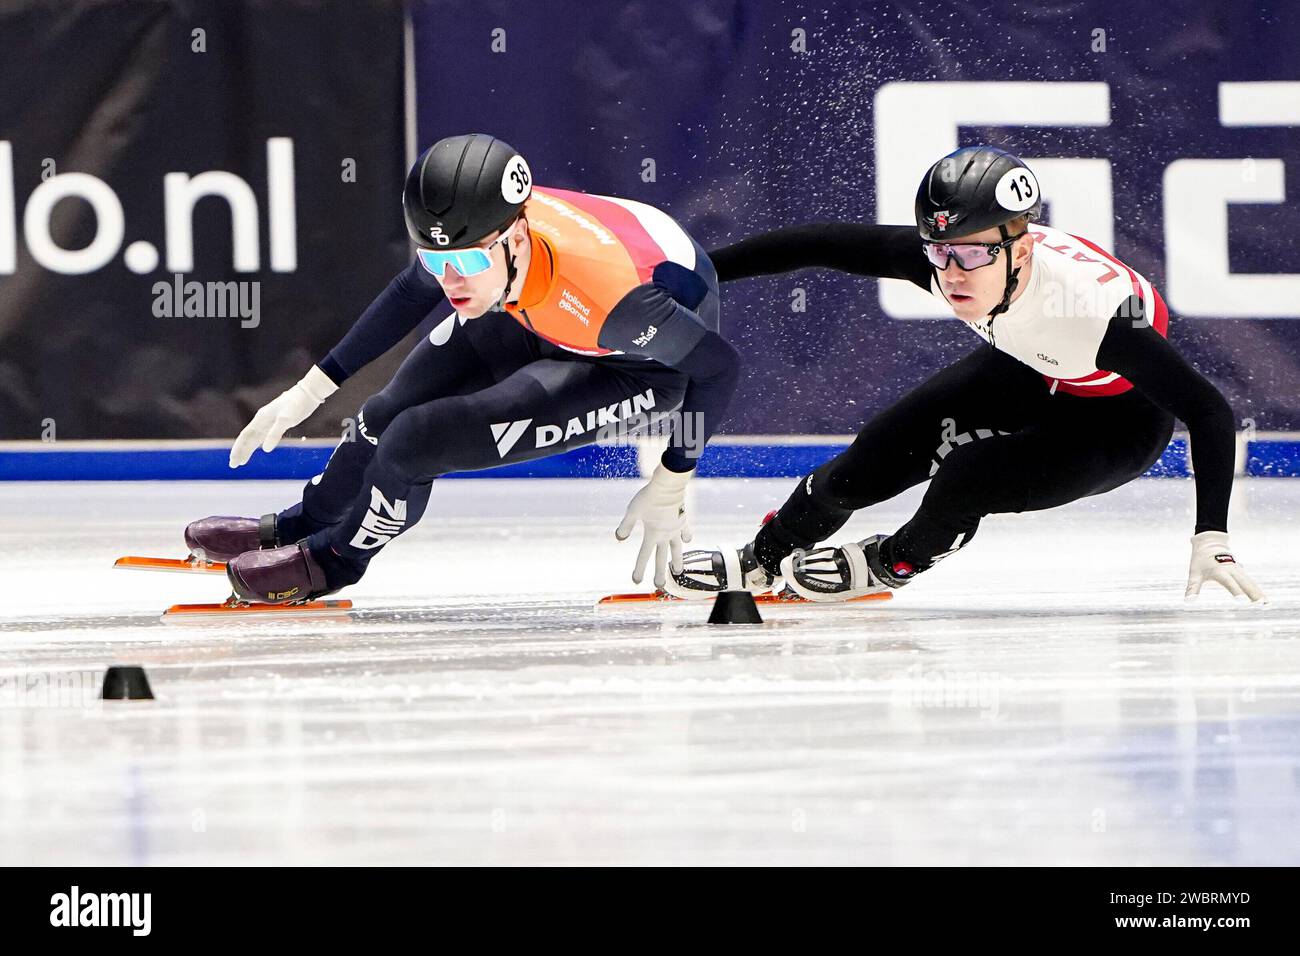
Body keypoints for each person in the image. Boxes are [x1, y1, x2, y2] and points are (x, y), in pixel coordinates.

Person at [667, 145, 1266, 605]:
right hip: (1031, 368)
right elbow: (820, 243)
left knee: (966, 479)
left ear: (1021, 250)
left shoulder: (1099, 319)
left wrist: (1211, 534)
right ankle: (766, 556)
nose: (952, 273)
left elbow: (1208, 410)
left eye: (974, 254)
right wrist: (703, 275)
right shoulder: (953, 258)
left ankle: (894, 561)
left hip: (1117, 421)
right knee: (870, 459)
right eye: (939, 250)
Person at [186, 133, 740, 603]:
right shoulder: (474, 231)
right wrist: (310, 390)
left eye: (467, 261)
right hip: (536, 308)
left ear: (517, 236)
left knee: (416, 439)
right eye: (435, 259)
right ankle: (304, 523)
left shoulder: (619, 300)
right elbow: (410, 291)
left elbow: (717, 368)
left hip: (635, 364)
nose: (451, 279)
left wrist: (672, 476)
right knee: (383, 412)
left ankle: (335, 560)